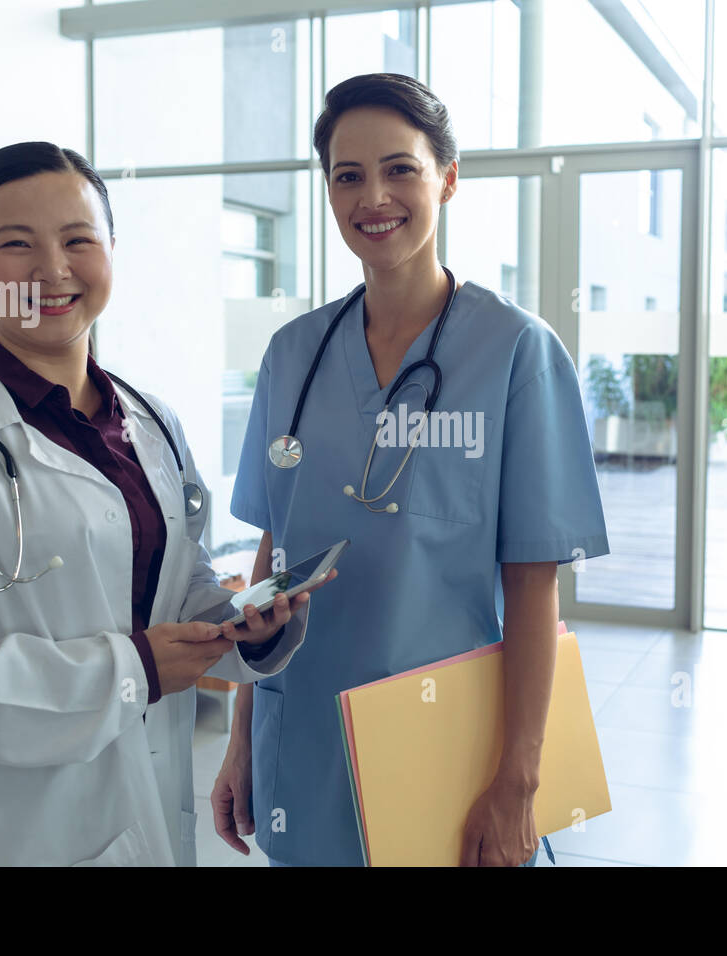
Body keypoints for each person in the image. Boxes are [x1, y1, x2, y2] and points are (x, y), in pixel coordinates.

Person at [0, 142, 331, 866]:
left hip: (147, 798)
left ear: (110, 252)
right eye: (16, 244)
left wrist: (241, 623)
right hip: (5, 829)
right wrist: (130, 670)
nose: (52, 270)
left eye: (77, 240)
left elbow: (173, 583)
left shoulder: (151, 421)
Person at [212, 74, 609, 867]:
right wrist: (241, 736)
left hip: (448, 745)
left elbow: (534, 587)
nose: (374, 196)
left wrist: (519, 781)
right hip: (306, 731)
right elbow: (272, 557)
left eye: (401, 169)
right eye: (347, 175)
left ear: (448, 180)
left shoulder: (516, 355)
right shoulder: (294, 354)